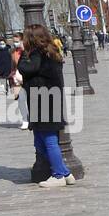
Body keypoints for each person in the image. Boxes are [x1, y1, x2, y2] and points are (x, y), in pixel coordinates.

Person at [17, 24, 74, 186]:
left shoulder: (36, 53)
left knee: (48, 140)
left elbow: (28, 69)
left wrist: (22, 56)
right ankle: (65, 172)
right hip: (50, 99)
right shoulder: (51, 51)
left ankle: (58, 176)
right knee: (41, 140)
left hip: (43, 101)